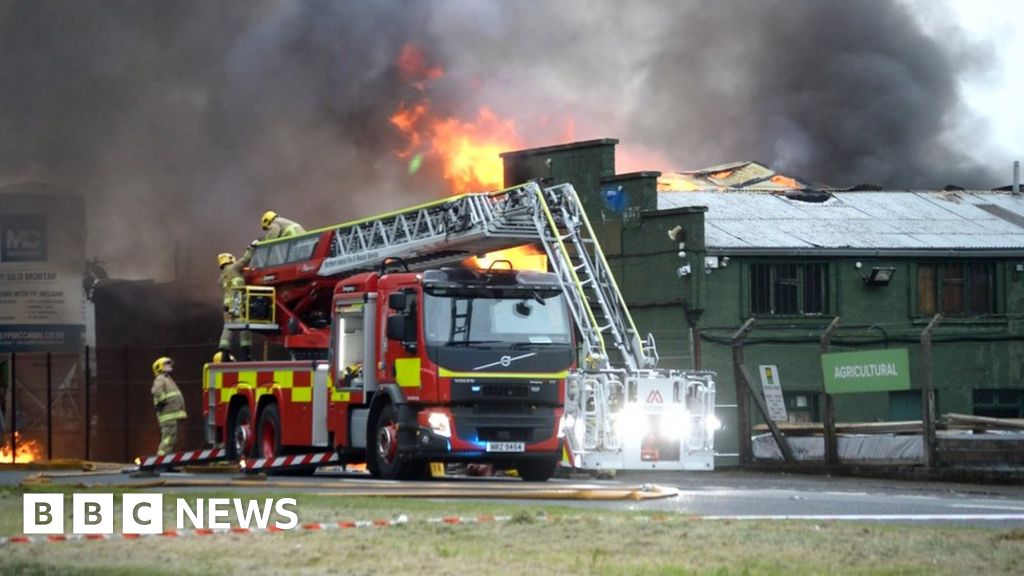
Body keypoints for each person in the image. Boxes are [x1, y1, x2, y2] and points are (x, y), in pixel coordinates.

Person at [217, 246, 254, 361]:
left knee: (228, 327)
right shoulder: (233, 268)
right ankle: (246, 355)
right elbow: (245, 260)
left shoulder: (222, 277)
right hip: (237, 301)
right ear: (230, 259)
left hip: (227, 304)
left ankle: (224, 355)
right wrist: (252, 248)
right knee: (244, 326)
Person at [151, 357, 187, 456]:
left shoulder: (167, 379)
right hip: (168, 416)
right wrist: (163, 400)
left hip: (172, 415)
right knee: (168, 439)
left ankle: (166, 459)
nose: (169, 366)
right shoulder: (160, 378)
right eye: (166, 364)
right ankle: (161, 459)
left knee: (171, 439)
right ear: (159, 367)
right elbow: (157, 391)